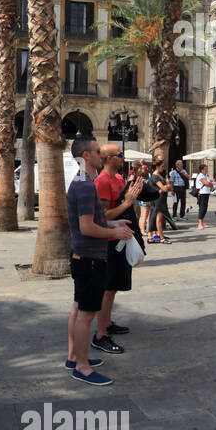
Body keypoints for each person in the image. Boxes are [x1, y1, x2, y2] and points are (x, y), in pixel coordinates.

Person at [65, 139, 135, 387]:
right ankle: (82, 368)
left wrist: (114, 224)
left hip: (83, 257)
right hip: (90, 259)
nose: (101, 156)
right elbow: (87, 227)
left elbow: (94, 221)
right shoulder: (85, 186)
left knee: (78, 309)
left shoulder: (82, 183)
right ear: (86, 155)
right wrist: (114, 233)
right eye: (97, 152)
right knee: (86, 315)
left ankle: (75, 358)